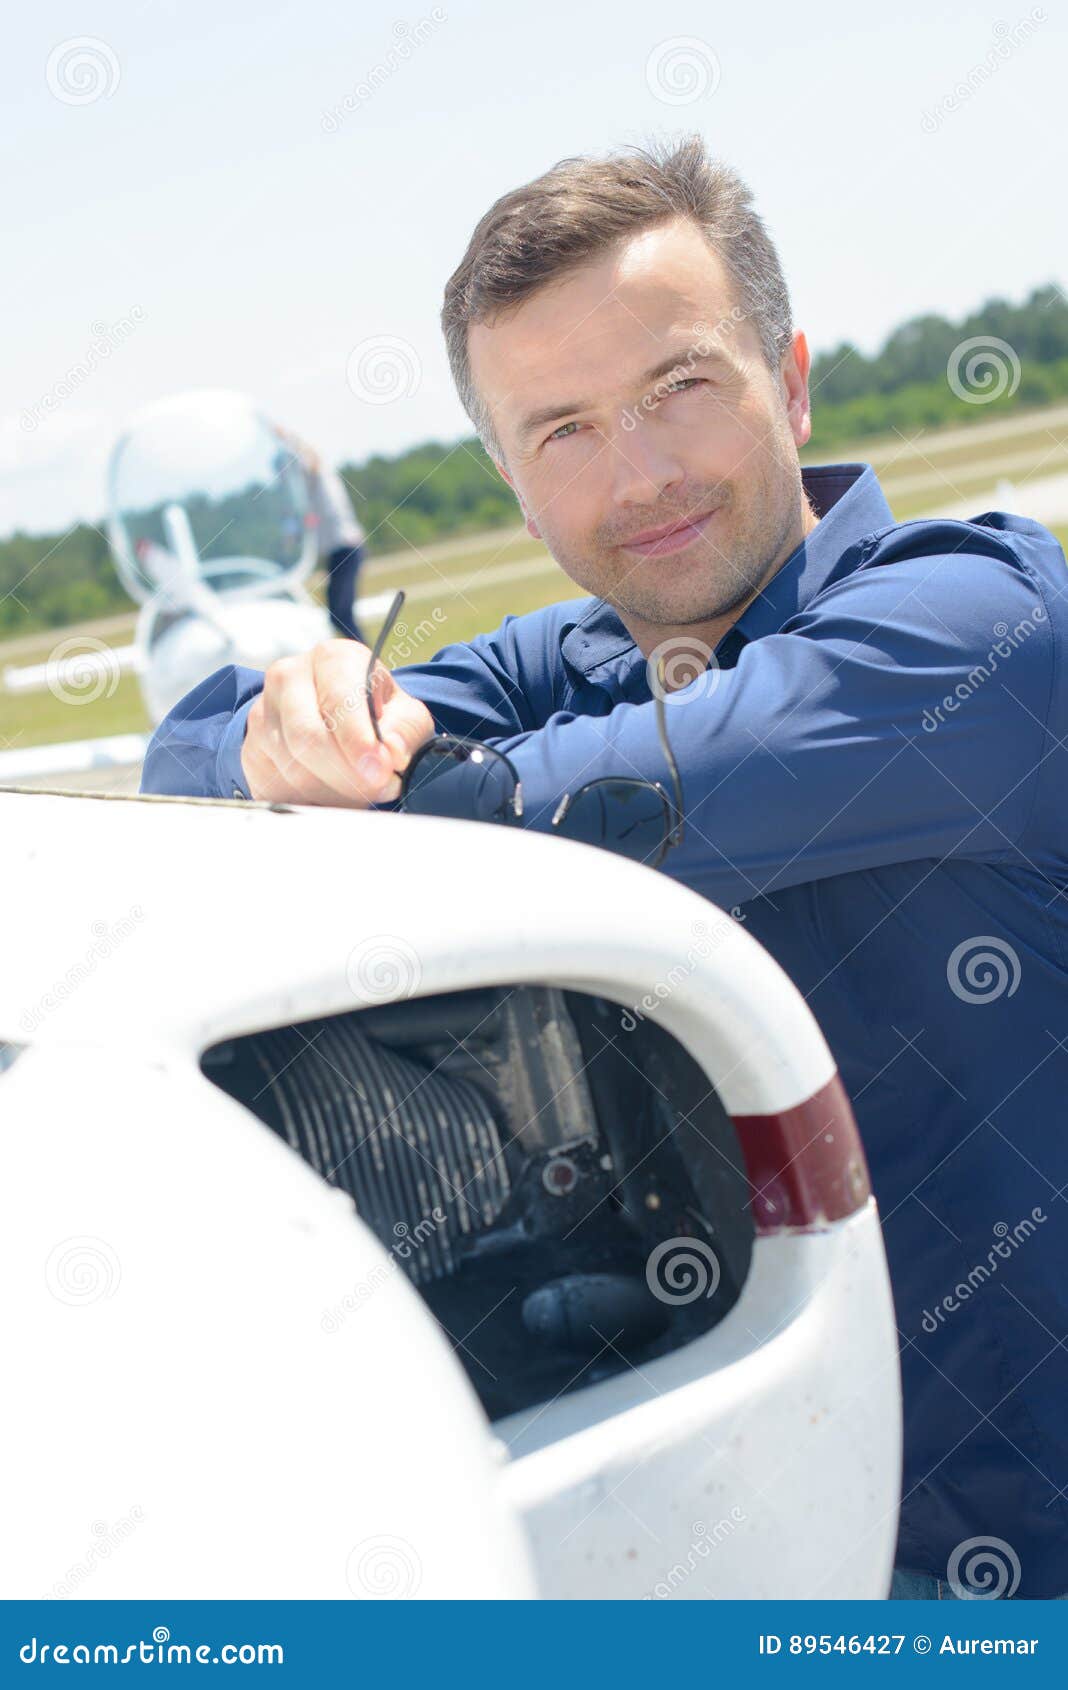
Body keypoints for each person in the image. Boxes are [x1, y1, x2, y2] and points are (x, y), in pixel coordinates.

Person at [141, 135, 1068, 1599]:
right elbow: (185, 761)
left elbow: (569, 800)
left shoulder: (976, 623)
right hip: (740, 1536)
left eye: (679, 388)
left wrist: (356, 780)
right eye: (563, 429)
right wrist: (277, 729)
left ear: (795, 377)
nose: (637, 475)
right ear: (512, 486)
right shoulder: (560, 662)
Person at [277, 427, 368, 640]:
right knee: (338, 615)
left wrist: (289, 438)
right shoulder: (308, 495)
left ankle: (369, 663)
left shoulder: (319, 475)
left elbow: (313, 458)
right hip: (337, 552)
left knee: (341, 614)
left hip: (346, 549)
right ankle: (366, 662)